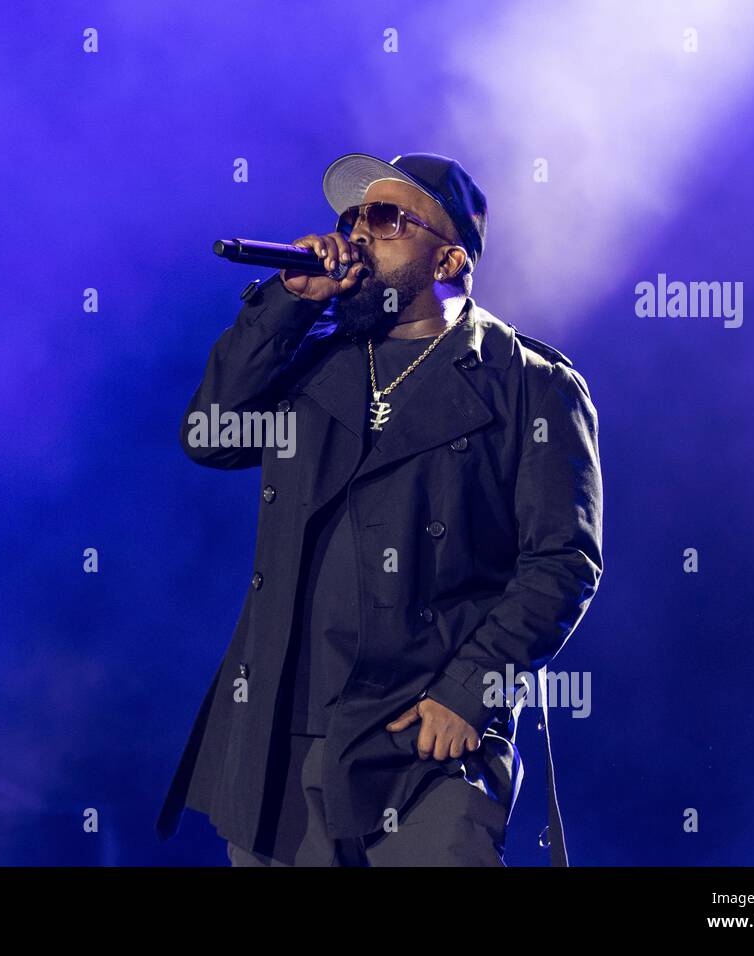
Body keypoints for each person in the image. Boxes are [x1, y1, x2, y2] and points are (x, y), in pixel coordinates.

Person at [157, 152, 604, 866]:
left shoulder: (529, 384)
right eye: (354, 217)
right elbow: (208, 435)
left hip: (425, 742)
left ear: (448, 257)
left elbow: (562, 561)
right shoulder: (314, 361)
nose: (360, 232)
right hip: (283, 734)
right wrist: (289, 303)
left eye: (388, 218)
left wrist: (469, 692)